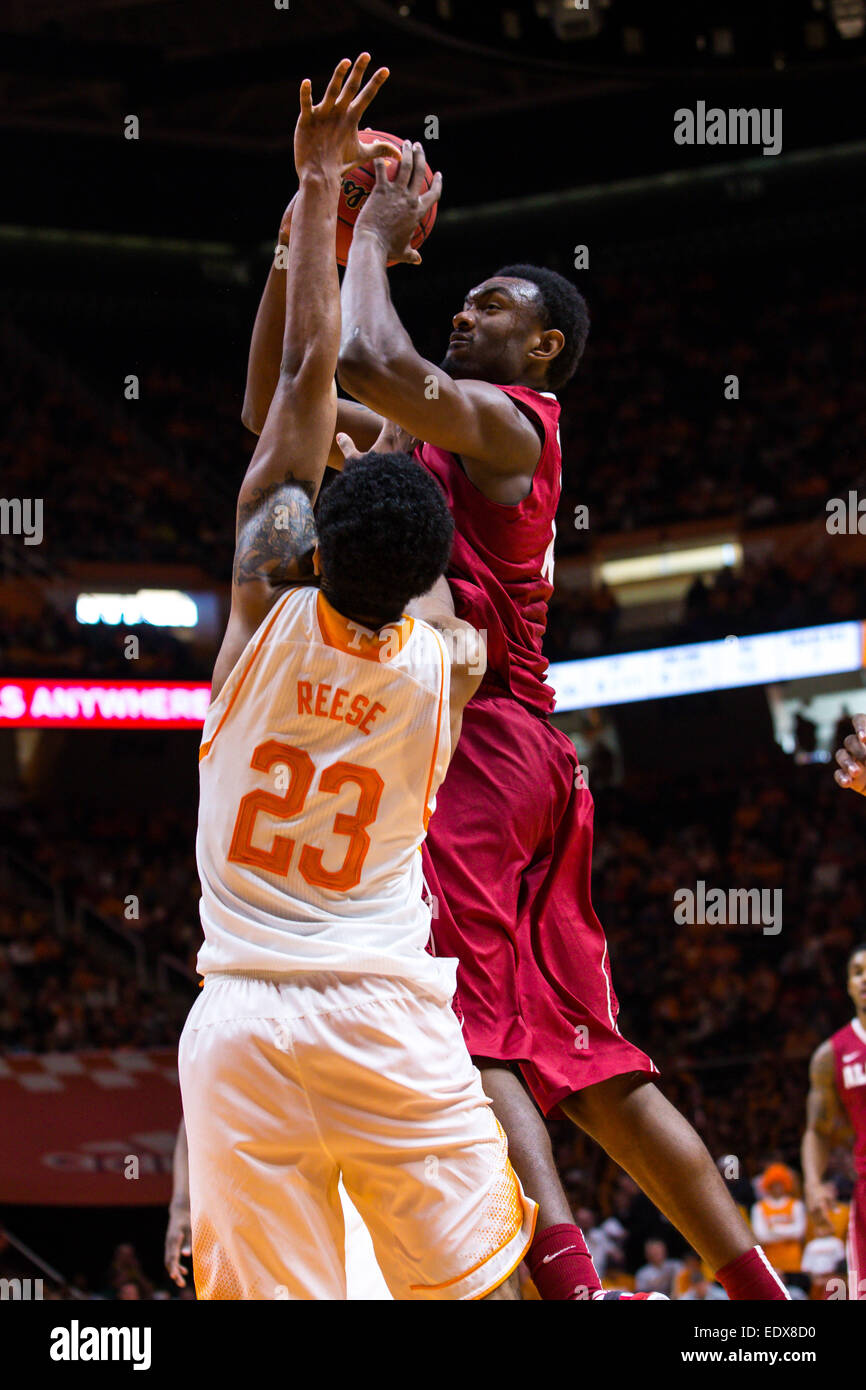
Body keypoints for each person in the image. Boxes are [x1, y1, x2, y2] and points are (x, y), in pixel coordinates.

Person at [287, 138, 783, 1301]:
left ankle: (568, 1288)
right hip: (532, 761)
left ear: (543, 346)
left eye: (490, 303)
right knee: (591, 1060)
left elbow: (365, 349)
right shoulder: (438, 434)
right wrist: (304, 230)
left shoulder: (517, 423)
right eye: (455, 299)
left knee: (472, 1027)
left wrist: (369, 231)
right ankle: (766, 1309)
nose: (462, 313)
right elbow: (294, 392)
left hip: (473, 737)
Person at [180, 54, 536, 1302]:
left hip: (240, 1018)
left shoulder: (262, 604)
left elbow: (290, 390)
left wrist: (318, 199)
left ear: (314, 538)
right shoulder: (450, 657)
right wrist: (360, 226)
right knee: (474, 1289)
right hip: (382, 1009)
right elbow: (366, 433)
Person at [802, 936, 866, 1301]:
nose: (865, 979)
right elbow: (817, 1130)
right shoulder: (832, 1054)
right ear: (847, 984)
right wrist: (812, 1183)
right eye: (857, 972)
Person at [749, 1164, 806, 1276]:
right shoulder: (759, 1207)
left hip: (793, 1263)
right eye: (773, 1185)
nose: (777, 1188)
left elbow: (799, 1233)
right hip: (769, 1263)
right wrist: (788, 1232)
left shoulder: (796, 1205)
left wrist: (774, 1229)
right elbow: (761, 1236)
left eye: (780, 1184)